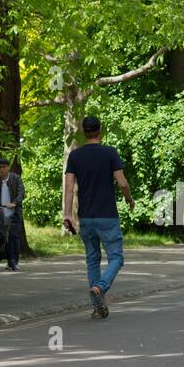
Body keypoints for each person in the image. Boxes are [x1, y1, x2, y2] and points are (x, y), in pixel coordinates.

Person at [63, 116, 134, 318]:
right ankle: (101, 287)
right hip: (107, 216)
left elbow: (69, 187)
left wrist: (68, 214)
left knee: (93, 259)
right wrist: (129, 199)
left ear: (84, 132)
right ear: (100, 131)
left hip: (86, 217)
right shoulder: (110, 153)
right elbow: (122, 182)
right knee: (116, 257)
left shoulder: (75, 156)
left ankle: (98, 307)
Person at [0, 157, 26, 270]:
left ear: (8, 168)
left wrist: (14, 203)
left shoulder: (15, 178)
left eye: (4, 167)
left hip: (14, 212)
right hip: (0, 213)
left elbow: (21, 193)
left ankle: (15, 261)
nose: (2, 169)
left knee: (14, 236)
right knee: (4, 237)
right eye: (0, 168)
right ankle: (10, 260)